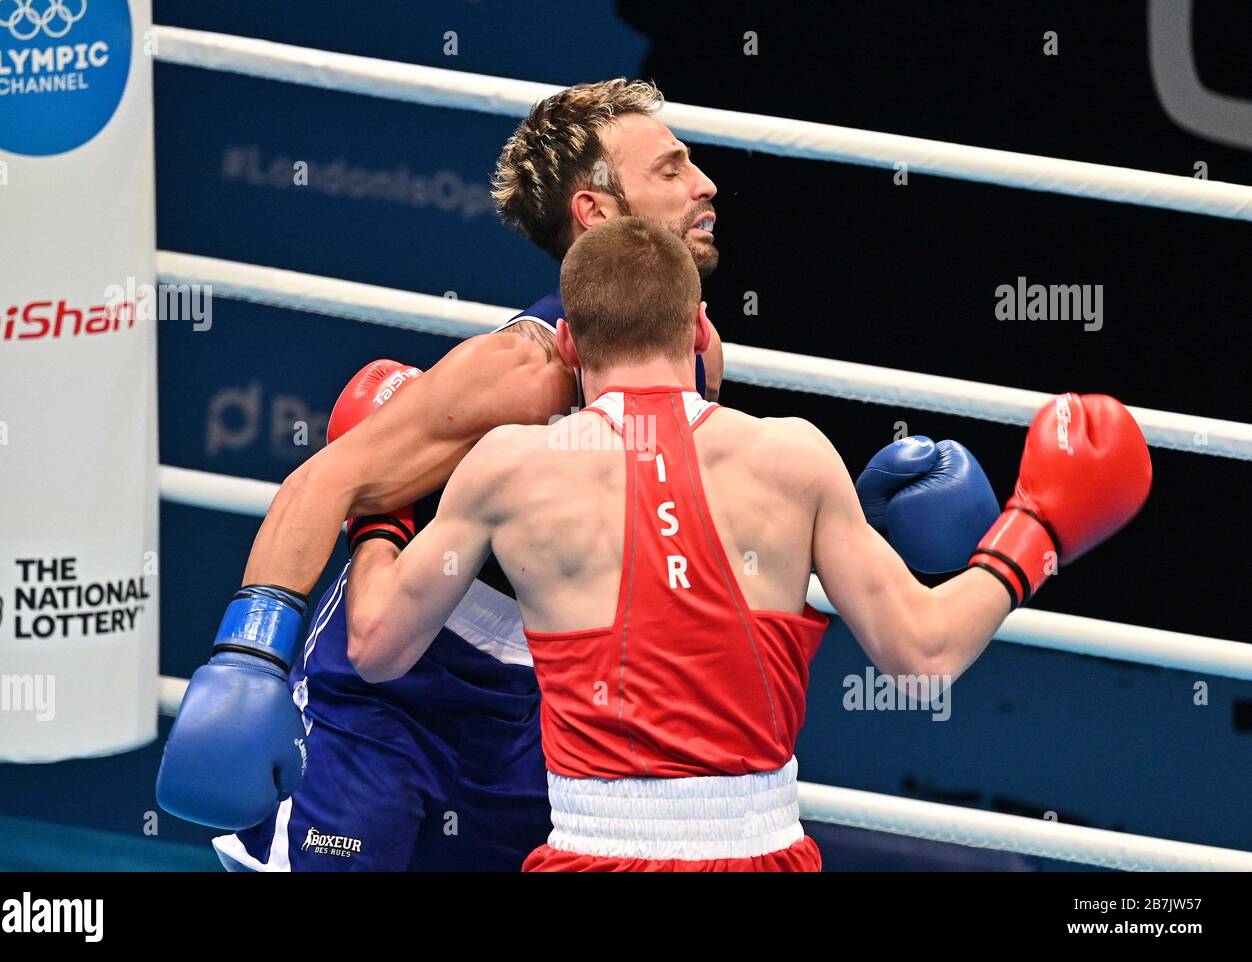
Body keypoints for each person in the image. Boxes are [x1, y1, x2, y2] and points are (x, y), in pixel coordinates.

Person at [157, 80, 998, 870]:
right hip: (391, 701)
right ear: (596, 211)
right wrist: (247, 662)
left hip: (545, 709)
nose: (705, 183)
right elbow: (324, 483)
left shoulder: (696, 349)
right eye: (671, 168)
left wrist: (839, 525)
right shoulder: (521, 373)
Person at [343, 216, 1152, 872]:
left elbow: (376, 647)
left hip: (592, 851)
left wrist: (382, 516)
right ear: (699, 327)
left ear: (567, 346)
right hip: (759, 853)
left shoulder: (507, 469)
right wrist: (1038, 529)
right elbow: (925, 651)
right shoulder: (793, 457)